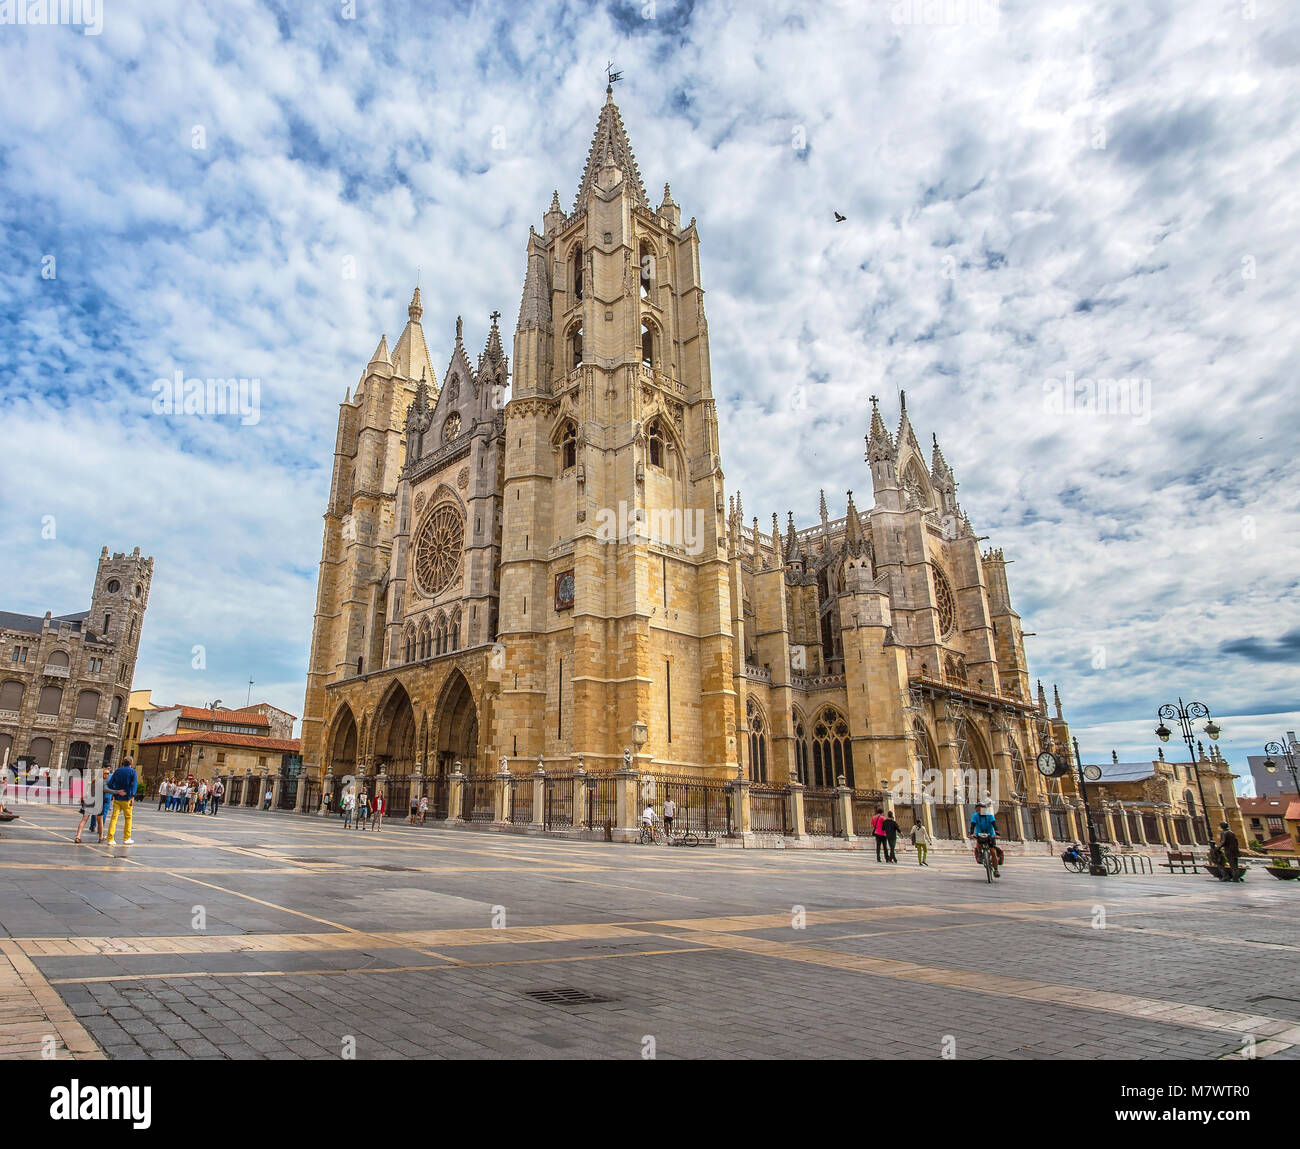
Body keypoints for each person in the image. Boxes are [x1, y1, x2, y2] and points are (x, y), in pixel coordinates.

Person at [104, 756, 139, 846]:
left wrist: (115, 792)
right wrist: (132, 796)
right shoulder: (133, 772)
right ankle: (126, 838)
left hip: (117, 797)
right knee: (128, 818)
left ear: (123, 763)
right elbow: (134, 785)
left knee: (114, 818)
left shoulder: (117, 771)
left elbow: (110, 783)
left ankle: (110, 838)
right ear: (131, 763)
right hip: (127, 798)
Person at [969, 802, 1003, 876]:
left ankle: (996, 870)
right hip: (980, 833)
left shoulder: (990, 816)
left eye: (980, 808)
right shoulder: (975, 816)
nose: (978, 810)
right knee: (979, 842)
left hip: (990, 834)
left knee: (993, 852)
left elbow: (994, 825)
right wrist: (971, 833)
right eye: (977, 809)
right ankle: (980, 854)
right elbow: (973, 825)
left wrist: (997, 834)